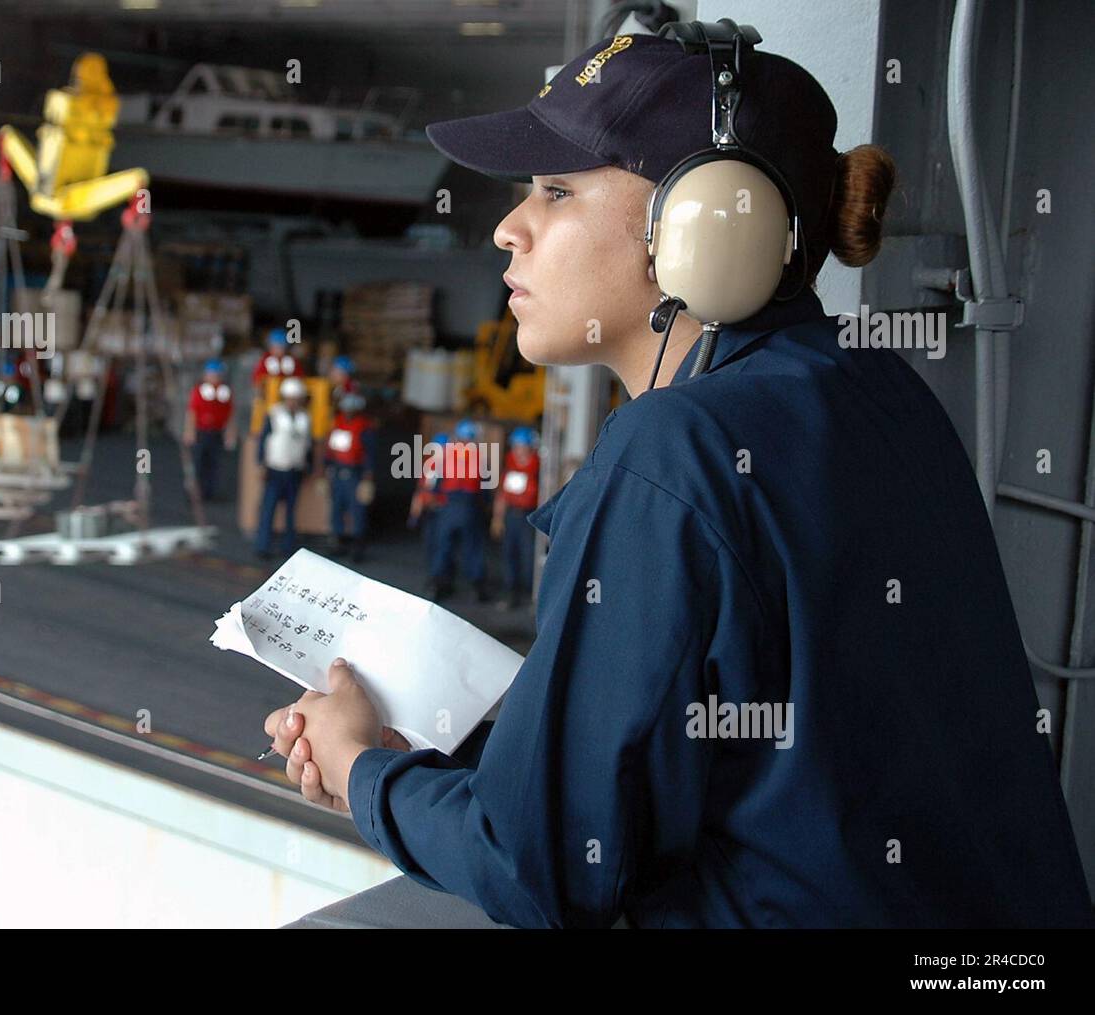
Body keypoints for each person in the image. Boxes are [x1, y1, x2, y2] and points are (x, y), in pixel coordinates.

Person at [261, 29, 1093, 928]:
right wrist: (468, 759)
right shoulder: (878, 385)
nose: (509, 227)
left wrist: (359, 770)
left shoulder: (675, 448)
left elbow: (541, 869)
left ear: (703, 224)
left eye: (555, 191)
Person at [428, 419, 489, 603]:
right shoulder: (479, 457)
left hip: (448, 507)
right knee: (473, 548)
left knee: (444, 547)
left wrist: (435, 499)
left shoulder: (446, 455)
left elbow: (436, 484)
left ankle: (440, 585)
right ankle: (478, 587)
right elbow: (485, 489)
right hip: (470, 507)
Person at [254, 376, 312, 559]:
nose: (293, 402)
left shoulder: (305, 418)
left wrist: (307, 465)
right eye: (290, 398)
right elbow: (264, 440)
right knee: (268, 508)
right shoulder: (274, 414)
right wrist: (261, 463)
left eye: (296, 398)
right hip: (275, 467)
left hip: (295, 469)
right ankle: (263, 545)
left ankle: (288, 546)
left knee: (291, 510)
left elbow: (307, 443)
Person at [491, 426, 540, 610]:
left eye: (522, 446)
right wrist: (497, 518)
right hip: (512, 516)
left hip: (530, 517)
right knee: (509, 555)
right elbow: (503, 494)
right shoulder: (510, 464)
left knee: (529, 558)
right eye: (515, 446)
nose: (518, 450)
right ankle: (512, 595)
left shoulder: (539, 468)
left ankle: (532, 598)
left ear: (530, 447)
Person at [324, 391, 376, 562]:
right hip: (338, 472)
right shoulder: (337, 424)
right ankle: (337, 543)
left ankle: (358, 547)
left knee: (357, 511)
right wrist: (325, 470)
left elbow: (370, 454)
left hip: (355, 474)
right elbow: (330, 450)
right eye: (345, 408)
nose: (347, 411)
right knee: (337, 508)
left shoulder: (364, 427)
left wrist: (368, 478)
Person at [182, 358, 237, 501]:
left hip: (216, 432)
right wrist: (189, 431)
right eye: (212, 375)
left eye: (217, 375)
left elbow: (230, 414)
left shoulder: (225, 393)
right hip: (201, 431)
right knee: (198, 463)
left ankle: (209, 491)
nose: (215, 378)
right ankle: (193, 492)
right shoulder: (199, 391)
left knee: (214, 463)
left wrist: (230, 433)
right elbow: (192, 412)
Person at [408, 431, 450, 578]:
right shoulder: (429, 466)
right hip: (429, 512)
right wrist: (416, 506)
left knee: (443, 546)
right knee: (430, 543)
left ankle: (441, 578)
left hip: (443, 513)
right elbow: (421, 488)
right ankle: (433, 575)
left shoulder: (452, 469)